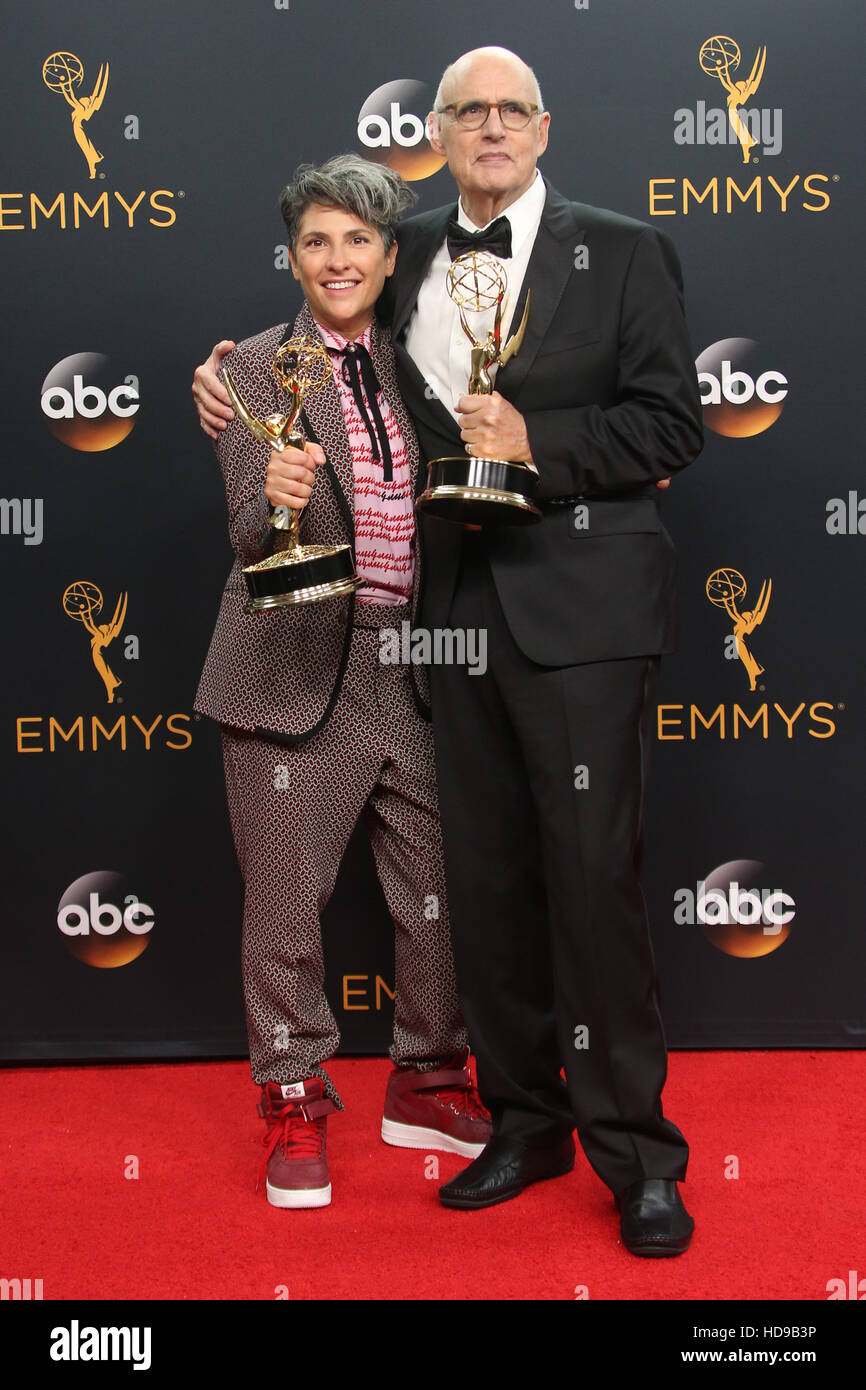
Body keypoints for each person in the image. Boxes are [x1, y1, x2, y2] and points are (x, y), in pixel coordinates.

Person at [192, 47, 704, 1256]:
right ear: (435, 129)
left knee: (593, 886)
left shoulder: (623, 248)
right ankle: (526, 1124)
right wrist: (219, 377)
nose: (486, 126)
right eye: (464, 110)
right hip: (452, 623)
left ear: (541, 127)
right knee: (487, 893)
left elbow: (673, 420)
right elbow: (315, 324)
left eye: (507, 109)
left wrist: (540, 438)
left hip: (581, 618)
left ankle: (636, 1153)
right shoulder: (406, 242)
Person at [193, 154, 490, 1210]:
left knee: (436, 888)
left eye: (357, 240)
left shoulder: (429, 361)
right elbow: (242, 535)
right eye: (316, 240)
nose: (336, 258)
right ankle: (294, 1096)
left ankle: (427, 1073)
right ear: (292, 256)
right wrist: (270, 494)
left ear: (388, 254)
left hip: (411, 660)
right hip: (287, 666)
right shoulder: (255, 370)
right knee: (285, 903)